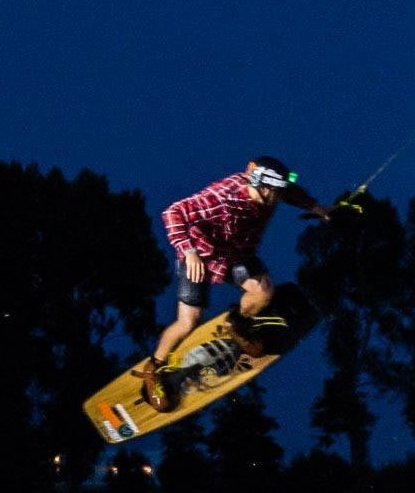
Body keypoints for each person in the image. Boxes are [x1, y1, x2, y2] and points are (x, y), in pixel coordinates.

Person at [133, 157, 332, 411]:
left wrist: (317, 208)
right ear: (261, 185)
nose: (277, 197)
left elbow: (292, 192)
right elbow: (174, 213)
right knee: (188, 321)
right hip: (201, 257)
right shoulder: (223, 198)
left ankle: (238, 323)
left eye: (279, 192)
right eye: (275, 192)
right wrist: (189, 251)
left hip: (235, 255)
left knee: (262, 290)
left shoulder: (271, 191)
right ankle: (154, 369)